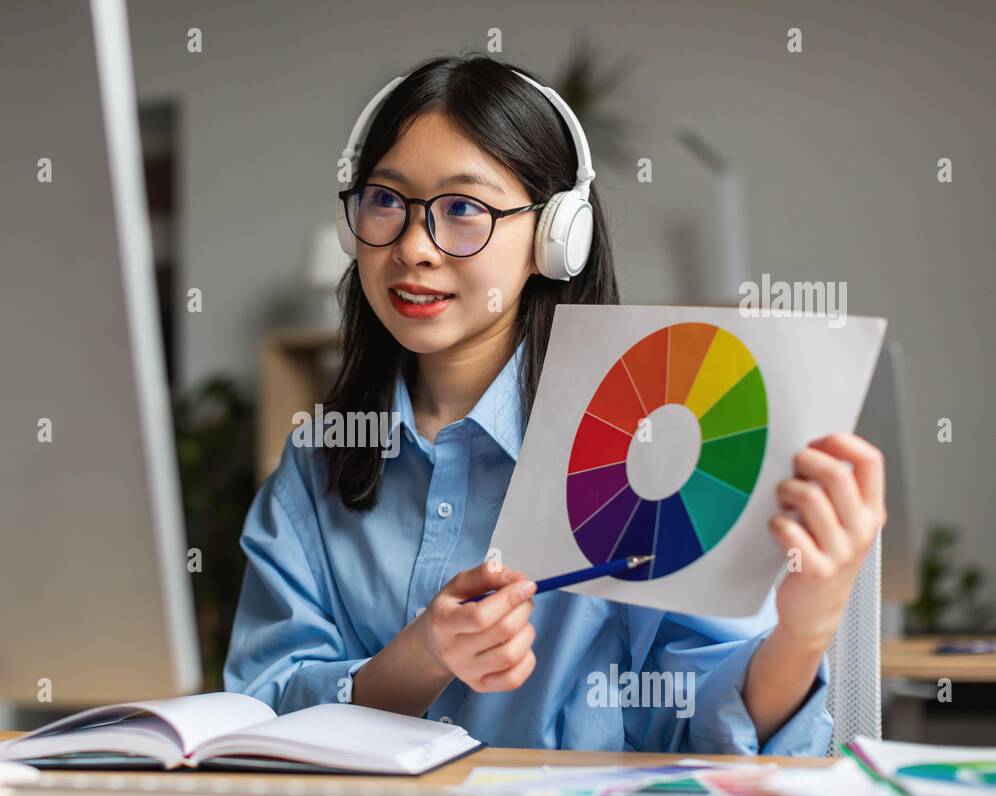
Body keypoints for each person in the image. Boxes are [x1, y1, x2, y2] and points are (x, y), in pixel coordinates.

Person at [223, 55, 885, 755]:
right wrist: (419, 659)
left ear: (555, 238)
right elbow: (258, 714)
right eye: (386, 199)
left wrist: (807, 628)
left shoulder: (649, 455)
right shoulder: (314, 463)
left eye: (462, 209)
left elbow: (704, 730)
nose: (414, 246)